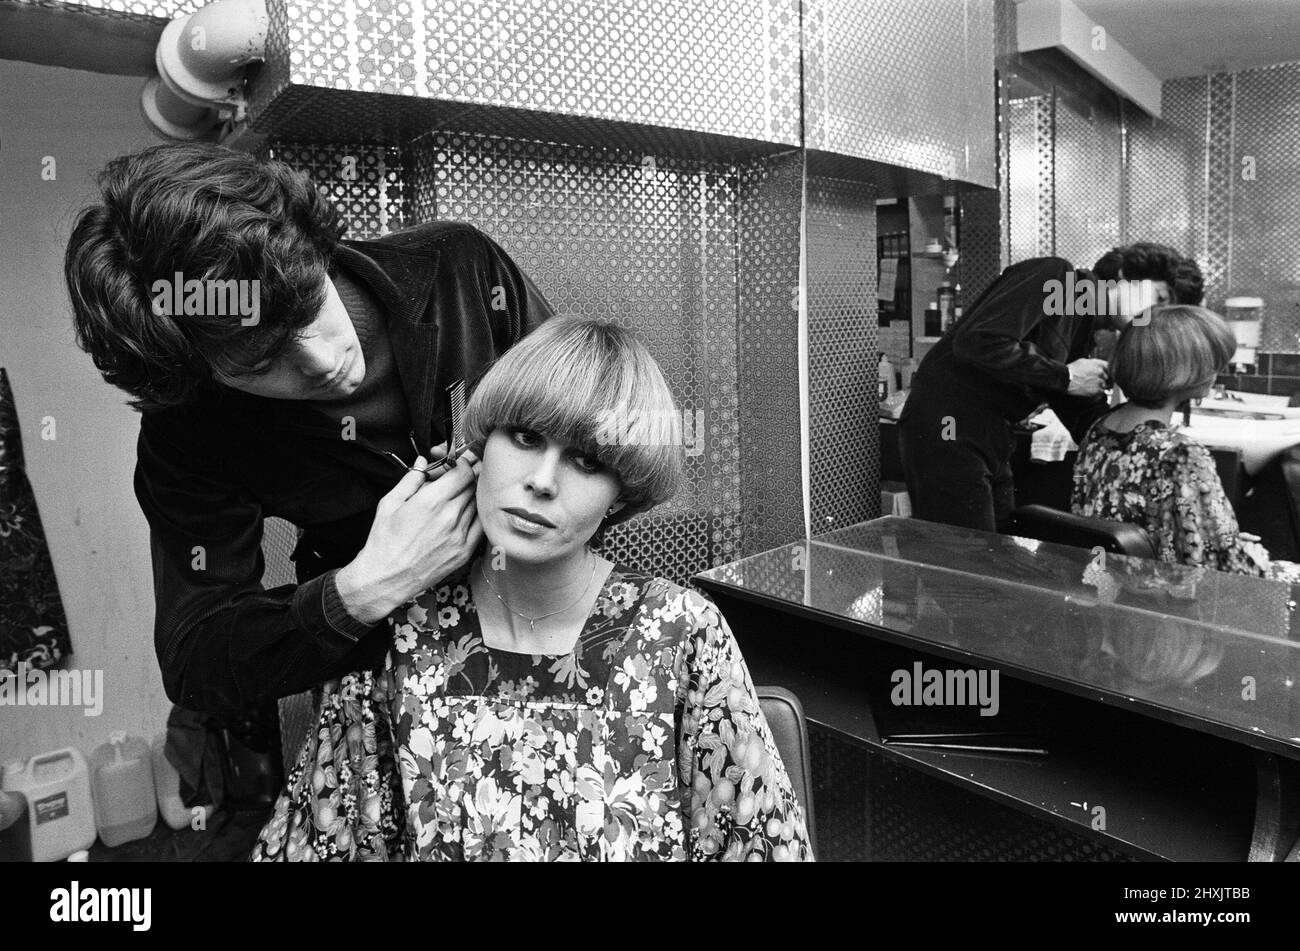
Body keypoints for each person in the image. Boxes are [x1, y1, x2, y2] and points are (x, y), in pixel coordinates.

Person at [252, 317, 814, 861]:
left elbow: (757, 842)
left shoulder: (681, 635)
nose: (542, 481)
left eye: (586, 461)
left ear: (620, 495)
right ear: (480, 446)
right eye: (524, 437)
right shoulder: (398, 636)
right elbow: (329, 838)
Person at [63, 143, 554, 718]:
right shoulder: (189, 435)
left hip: (541, 618)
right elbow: (195, 661)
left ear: (315, 249)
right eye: (261, 363)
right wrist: (365, 590)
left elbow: (606, 434)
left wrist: (512, 485)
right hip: (389, 682)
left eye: (309, 307)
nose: (322, 362)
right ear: (202, 375)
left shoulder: (457, 267)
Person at [898, 243, 1205, 532]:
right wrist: (1066, 377)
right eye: (1159, 298)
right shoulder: (1058, 279)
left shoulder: (1084, 327)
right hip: (947, 427)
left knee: (996, 555)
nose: (1151, 316)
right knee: (966, 562)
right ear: (1126, 276)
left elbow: (1080, 411)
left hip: (992, 437)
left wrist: (1136, 437)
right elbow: (979, 341)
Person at [1071, 305, 1272, 576]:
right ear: (1185, 368)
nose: (1218, 370)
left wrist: (1222, 541)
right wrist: (1256, 558)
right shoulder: (1181, 453)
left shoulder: (1099, 430)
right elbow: (1223, 566)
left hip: (1111, 586)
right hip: (1165, 601)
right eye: (1213, 360)